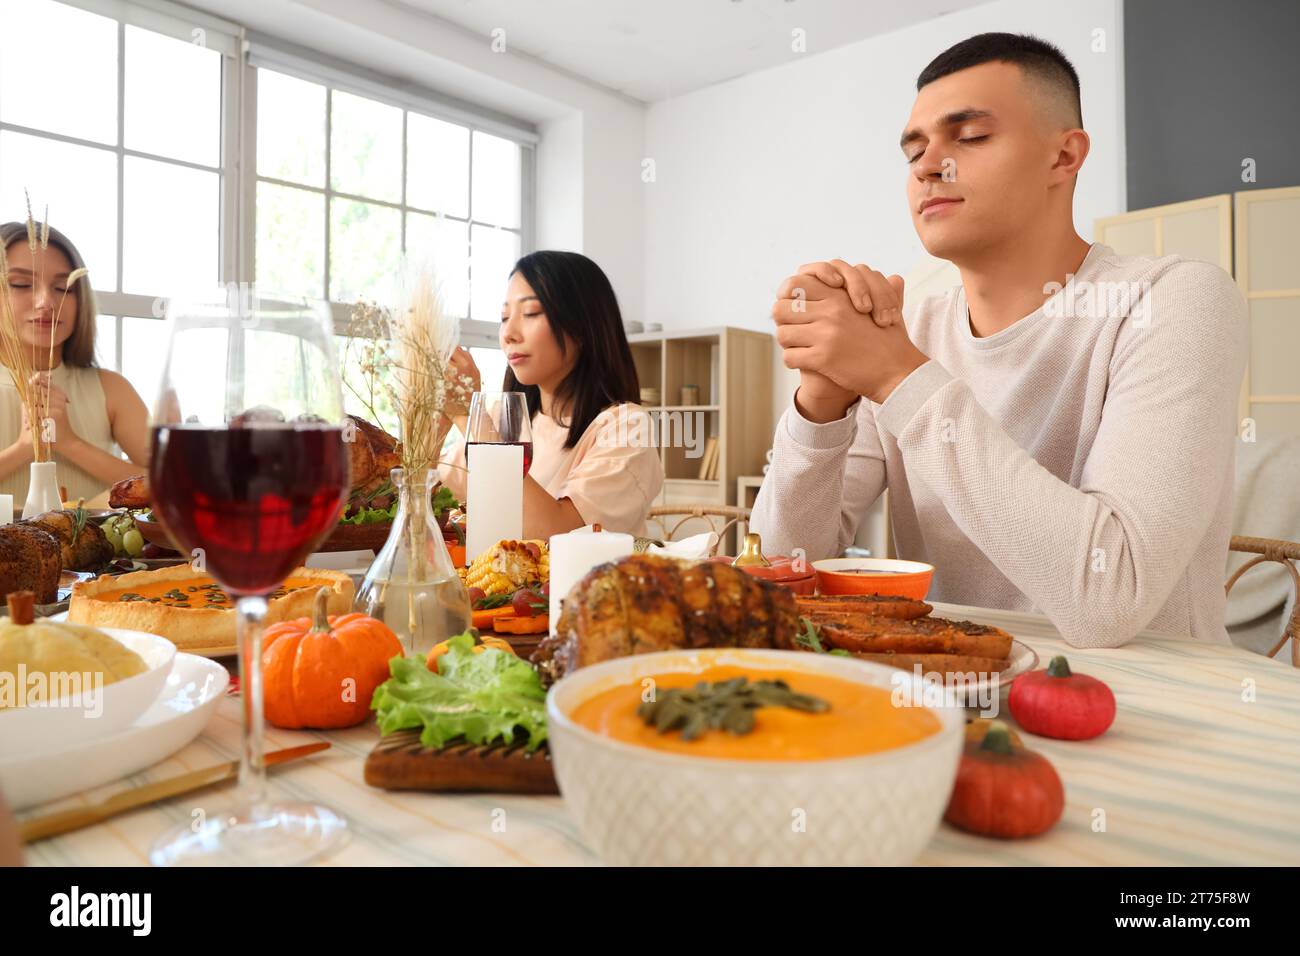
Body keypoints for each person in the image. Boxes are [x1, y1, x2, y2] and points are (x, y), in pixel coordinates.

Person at [751, 33, 1246, 648]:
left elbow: (1109, 598)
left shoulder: (1172, 299)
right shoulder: (911, 333)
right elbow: (781, 565)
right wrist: (820, 404)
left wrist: (898, 377)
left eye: (971, 136)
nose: (930, 165)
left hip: (1156, 714)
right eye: (914, 152)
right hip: (964, 692)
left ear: (1064, 157)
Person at [439, 250, 663, 538]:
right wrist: (435, 415)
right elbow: (433, 500)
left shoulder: (627, 428)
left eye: (530, 313)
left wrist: (466, 413)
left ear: (582, 327)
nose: (509, 333)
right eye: (504, 317)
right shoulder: (502, 420)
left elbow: (555, 537)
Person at [0, 222, 150, 506]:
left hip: (98, 550)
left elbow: (171, 485)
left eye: (63, 288)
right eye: (20, 284)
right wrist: (25, 447)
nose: (46, 302)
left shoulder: (111, 389)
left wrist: (69, 443)